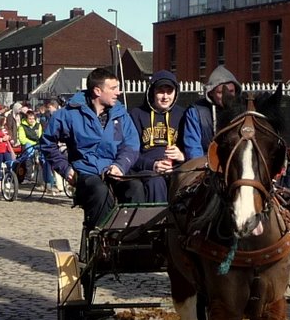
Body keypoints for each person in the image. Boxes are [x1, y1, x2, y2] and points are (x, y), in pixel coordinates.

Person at [40, 67, 141, 229]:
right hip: (86, 173)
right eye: (113, 88)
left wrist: (120, 165)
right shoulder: (69, 114)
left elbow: (131, 144)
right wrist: (66, 169)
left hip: (114, 171)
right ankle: (101, 240)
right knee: (100, 192)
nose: (119, 92)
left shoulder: (121, 114)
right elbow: (47, 143)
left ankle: (129, 237)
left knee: (136, 188)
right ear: (97, 91)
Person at [129, 70, 204, 203]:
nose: (165, 97)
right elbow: (130, 153)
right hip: (147, 170)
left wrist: (182, 157)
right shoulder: (136, 114)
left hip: (176, 168)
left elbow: (192, 146)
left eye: (169, 92)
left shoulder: (183, 114)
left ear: (175, 93)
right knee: (156, 181)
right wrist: (153, 165)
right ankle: (159, 222)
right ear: (152, 92)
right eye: (160, 91)